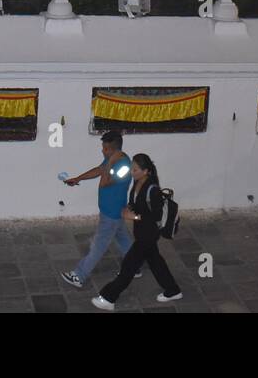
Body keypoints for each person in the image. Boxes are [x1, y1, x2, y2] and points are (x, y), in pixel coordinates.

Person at [91, 154, 182, 310]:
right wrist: (129, 209)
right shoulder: (137, 181)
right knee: (155, 261)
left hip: (148, 234)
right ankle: (173, 290)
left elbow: (156, 215)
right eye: (131, 168)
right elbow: (135, 202)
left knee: (128, 267)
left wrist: (135, 216)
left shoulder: (153, 189)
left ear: (145, 171)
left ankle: (108, 297)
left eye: (135, 169)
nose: (131, 172)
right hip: (141, 232)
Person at [60, 131, 139, 289]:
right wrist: (78, 178)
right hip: (111, 211)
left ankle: (79, 275)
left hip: (113, 213)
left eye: (105, 149)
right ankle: (135, 266)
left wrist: (109, 163)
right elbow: (99, 170)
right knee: (123, 238)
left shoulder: (123, 167)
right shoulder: (111, 160)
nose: (102, 151)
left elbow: (104, 182)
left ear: (114, 150)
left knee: (98, 245)